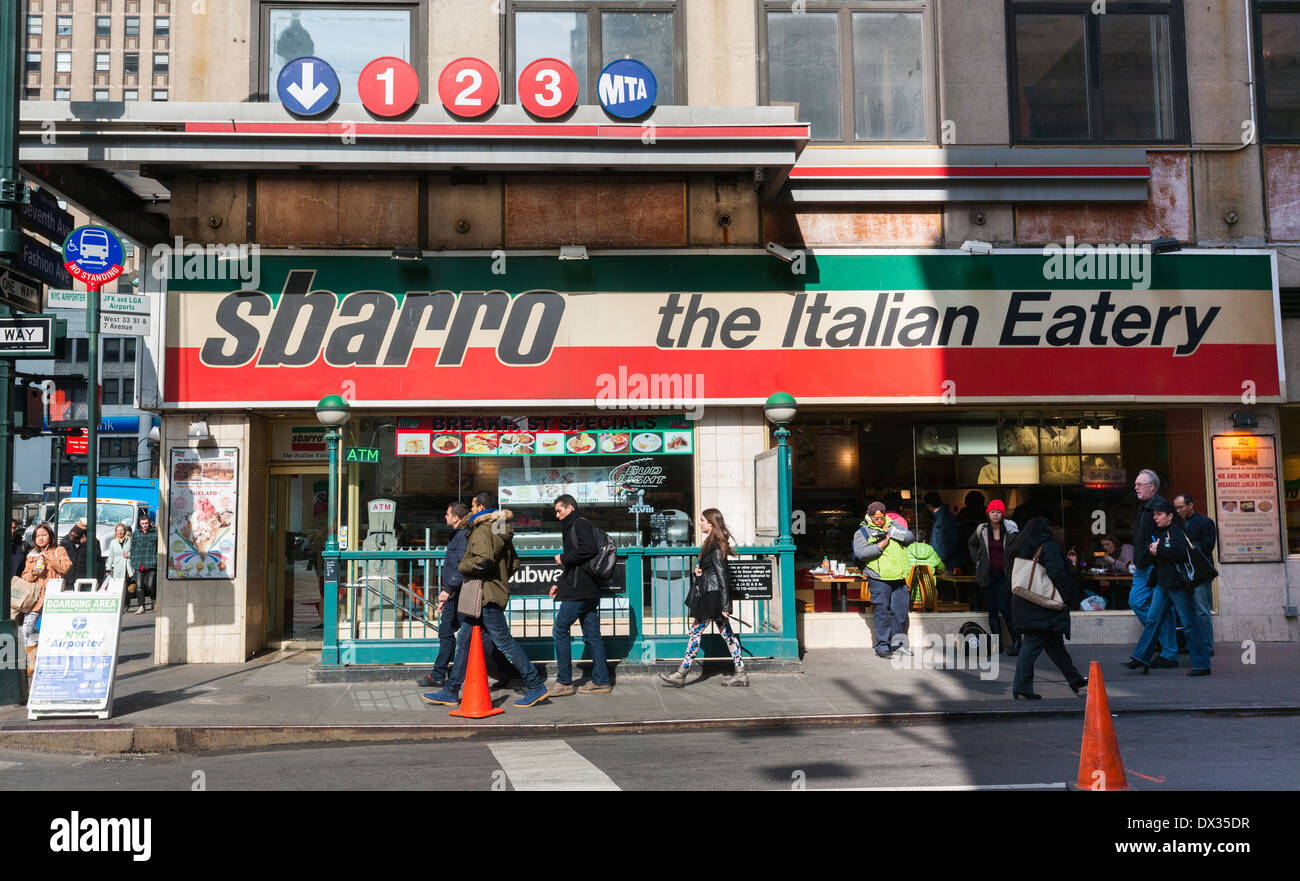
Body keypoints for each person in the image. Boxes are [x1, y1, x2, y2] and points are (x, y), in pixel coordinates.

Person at [421, 492, 549, 709]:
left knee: (503, 641)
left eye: (473, 505)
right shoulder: (500, 527)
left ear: (480, 507)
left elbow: (482, 561)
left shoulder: (481, 530)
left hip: (484, 594)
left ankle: (536, 685)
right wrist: (500, 580)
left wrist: (463, 566)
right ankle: (451, 691)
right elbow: (514, 562)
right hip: (489, 592)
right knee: (464, 639)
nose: (471, 510)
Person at [1123, 500, 1212, 677]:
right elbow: (1163, 557)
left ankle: (1202, 664)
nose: (1155, 518)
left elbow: (1180, 553)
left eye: (1159, 514)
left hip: (1177, 586)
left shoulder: (1175, 531)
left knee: (1189, 624)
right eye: (1154, 515)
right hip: (1163, 585)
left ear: (1170, 516)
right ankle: (1141, 658)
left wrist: (1159, 550)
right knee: (1153, 621)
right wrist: (1154, 552)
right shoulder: (1163, 532)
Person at [660, 508, 748, 687]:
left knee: (695, 632)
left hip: (712, 598)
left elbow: (722, 575)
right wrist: (700, 572)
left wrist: (725, 605)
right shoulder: (712, 541)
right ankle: (740, 673)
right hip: (712, 595)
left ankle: (681, 673)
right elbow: (713, 572)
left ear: (710, 523)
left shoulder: (715, 544)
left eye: (702, 520)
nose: (699, 523)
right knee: (727, 634)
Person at [1008, 517, 1087, 699]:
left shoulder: (1020, 547)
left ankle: (1074, 678)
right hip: (1043, 605)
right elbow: (1058, 573)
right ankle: (1021, 686)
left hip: (1025, 601)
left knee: (1054, 645)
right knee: (1032, 644)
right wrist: (1069, 598)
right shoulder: (1048, 547)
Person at [547, 495, 612, 696]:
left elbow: (589, 550)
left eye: (560, 510)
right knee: (592, 635)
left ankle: (564, 682)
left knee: (560, 629)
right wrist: (559, 583)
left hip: (580, 590)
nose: (557, 515)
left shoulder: (580, 524)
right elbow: (577, 562)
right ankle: (601, 681)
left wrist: (563, 557)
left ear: (571, 508)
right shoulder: (573, 525)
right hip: (586, 588)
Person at [417, 502, 469, 689]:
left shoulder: (463, 536)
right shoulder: (457, 534)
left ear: (456, 517)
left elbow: (463, 566)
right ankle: (439, 674)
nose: (445, 517)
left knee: (478, 637)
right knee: (446, 632)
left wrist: (448, 589)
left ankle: (504, 670)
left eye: (447, 514)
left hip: (463, 593)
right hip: (454, 593)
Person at [852, 501, 915, 659]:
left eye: (882, 517)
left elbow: (909, 538)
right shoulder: (863, 532)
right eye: (876, 518)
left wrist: (892, 531)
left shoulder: (892, 525)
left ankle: (899, 645)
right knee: (882, 612)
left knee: (900, 613)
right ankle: (882, 646)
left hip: (899, 577)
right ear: (870, 516)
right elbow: (860, 553)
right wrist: (880, 546)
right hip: (879, 578)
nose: (879, 520)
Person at [1130, 470, 1177, 667]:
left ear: (1152, 487)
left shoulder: (1159, 507)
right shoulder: (1144, 507)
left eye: (1140, 484)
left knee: (1150, 607)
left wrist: (1153, 557)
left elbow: (1169, 534)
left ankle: (1168, 651)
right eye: (1136, 484)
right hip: (1141, 567)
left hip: (1153, 567)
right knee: (1140, 603)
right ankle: (1165, 646)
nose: (1136, 488)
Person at [17, 523, 72, 684]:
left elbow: (65, 567)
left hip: (53, 595)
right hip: (35, 597)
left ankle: (52, 659)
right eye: (38, 536)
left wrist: (50, 560)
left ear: (50, 536)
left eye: (44, 535)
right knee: (26, 628)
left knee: (54, 630)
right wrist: (34, 573)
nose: (40, 538)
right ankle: (33, 660)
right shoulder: (31, 554)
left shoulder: (58, 550)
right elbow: (24, 576)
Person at [969, 500, 1021, 655]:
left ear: (1003, 514)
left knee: (1005, 608)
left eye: (998, 512)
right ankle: (997, 644)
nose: (995, 515)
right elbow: (971, 544)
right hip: (988, 575)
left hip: (1005, 575)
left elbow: (1020, 547)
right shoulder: (982, 529)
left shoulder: (1011, 530)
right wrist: (977, 562)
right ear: (988, 513)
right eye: (992, 512)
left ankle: (1017, 641)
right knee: (992, 610)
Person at [1174, 493, 1217, 658]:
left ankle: (1207, 646)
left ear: (1190, 505)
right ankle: (1193, 643)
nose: (1178, 511)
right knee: (1189, 610)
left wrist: (1187, 545)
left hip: (1200, 572)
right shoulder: (1178, 523)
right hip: (1185, 572)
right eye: (1176, 508)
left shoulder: (1205, 522)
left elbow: (1208, 545)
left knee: (1201, 610)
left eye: (1180, 507)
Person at [923, 492, 960, 572]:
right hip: (944, 564)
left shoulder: (943, 518)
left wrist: (938, 560)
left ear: (928, 505)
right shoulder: (943, 516)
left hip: (947, 565)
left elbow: (951, 541)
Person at [130, 512, 158, 613]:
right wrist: (133, 560)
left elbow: (160, 548)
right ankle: (141, 606)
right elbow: (132, 548)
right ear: (140, 523)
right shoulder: (136, 534)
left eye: (146, 523)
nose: (144, 525)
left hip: (151, 562)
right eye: (142, 523)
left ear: (150, 523)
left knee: (149, 584)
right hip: (139, 563)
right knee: (139, 585)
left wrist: (156, 558)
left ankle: (153, 599)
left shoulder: (155, 533)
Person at [106, 522, 134, 603]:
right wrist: (108, 569)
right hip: (117, 567)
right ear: (116, 532)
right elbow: (111, 556)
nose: (120, 532)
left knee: (126, 585)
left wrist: (128, 555)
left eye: (121, 530)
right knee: (118, 585)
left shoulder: (130, 540)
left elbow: (134, 552)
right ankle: (119, 602)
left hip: (127, 566)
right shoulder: (113, 542)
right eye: (118, 530)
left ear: (125, 531)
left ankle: (126, 602)